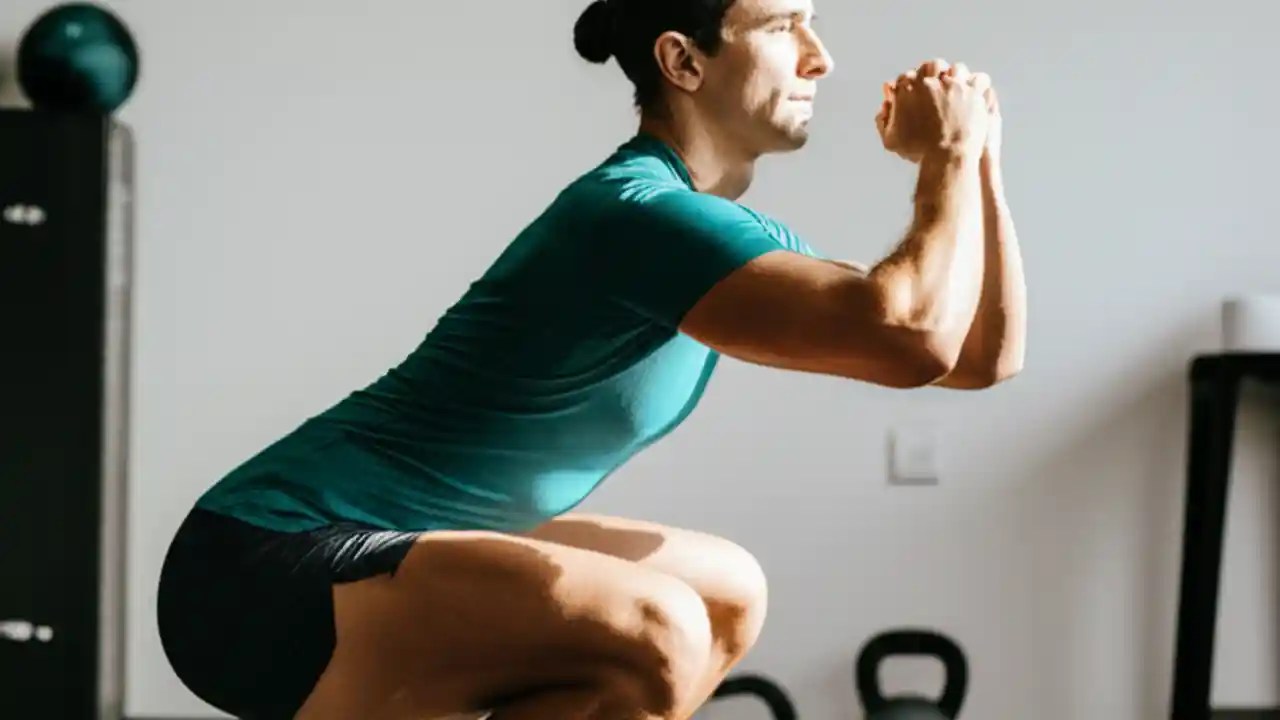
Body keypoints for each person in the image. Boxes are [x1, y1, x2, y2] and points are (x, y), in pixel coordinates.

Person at [156, 0, 1025, 717]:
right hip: (257, 566)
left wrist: (980, 159)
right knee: (657, 622)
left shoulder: (721, 237)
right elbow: (909, 336)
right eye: (781, 26)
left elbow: (981, 354)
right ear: (683, 61)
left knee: (724, 590)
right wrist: (944, 155)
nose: (820, 58)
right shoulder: (636, 214)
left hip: (398, 543)